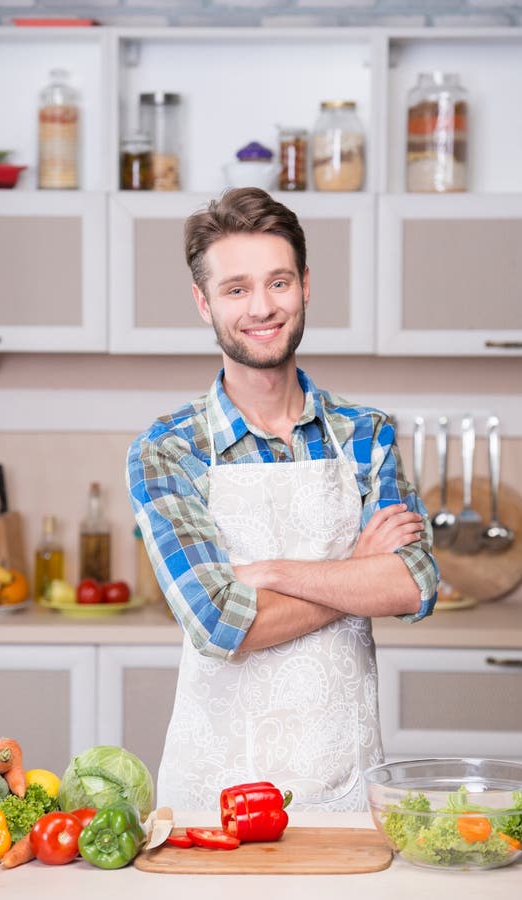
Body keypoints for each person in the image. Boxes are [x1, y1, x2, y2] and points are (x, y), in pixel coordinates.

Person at [127, 187, 439, 812]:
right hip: (211, 790)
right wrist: (356, 573)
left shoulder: (366, 432)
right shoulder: (168, 451)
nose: (262, 307)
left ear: (305, 285)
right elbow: (220, 625)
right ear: (203, 301)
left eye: (278, 282)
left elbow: (415, 586)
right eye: (236, 288)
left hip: (344, 784)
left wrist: (269, 576)